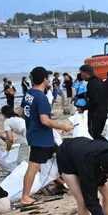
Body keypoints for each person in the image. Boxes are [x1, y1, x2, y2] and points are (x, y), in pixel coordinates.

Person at [20, 66, 73, 206]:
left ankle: (71, 184)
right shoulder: (41, 97)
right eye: (47, 78)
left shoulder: (29, 94)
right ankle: (25, 197)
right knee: (34, 167)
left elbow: (21, 113)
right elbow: (45, 120)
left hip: (39, 136)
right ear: (44, 79)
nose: (49, 80)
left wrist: (32, 121)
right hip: (40, 138)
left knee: (62, 156)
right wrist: (64, 127)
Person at [79, 65, 108, 140]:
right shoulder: (99, 80)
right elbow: (91, 94)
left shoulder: (91, 83)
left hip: (96, 114)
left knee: (93, 135)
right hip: (103, 112)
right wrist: (79, 96)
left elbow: (94, 100)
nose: (81, 75)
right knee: (97, 135)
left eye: (81, 73)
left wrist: (83, 108)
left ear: (86, 73)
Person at [1, 104, 28, 170]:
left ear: (3, 115)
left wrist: (7, 151)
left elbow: (10, 139)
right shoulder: (18, 117)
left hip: (25, 134)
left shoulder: (7, 121)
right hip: (31, 131)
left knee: (22, 161)